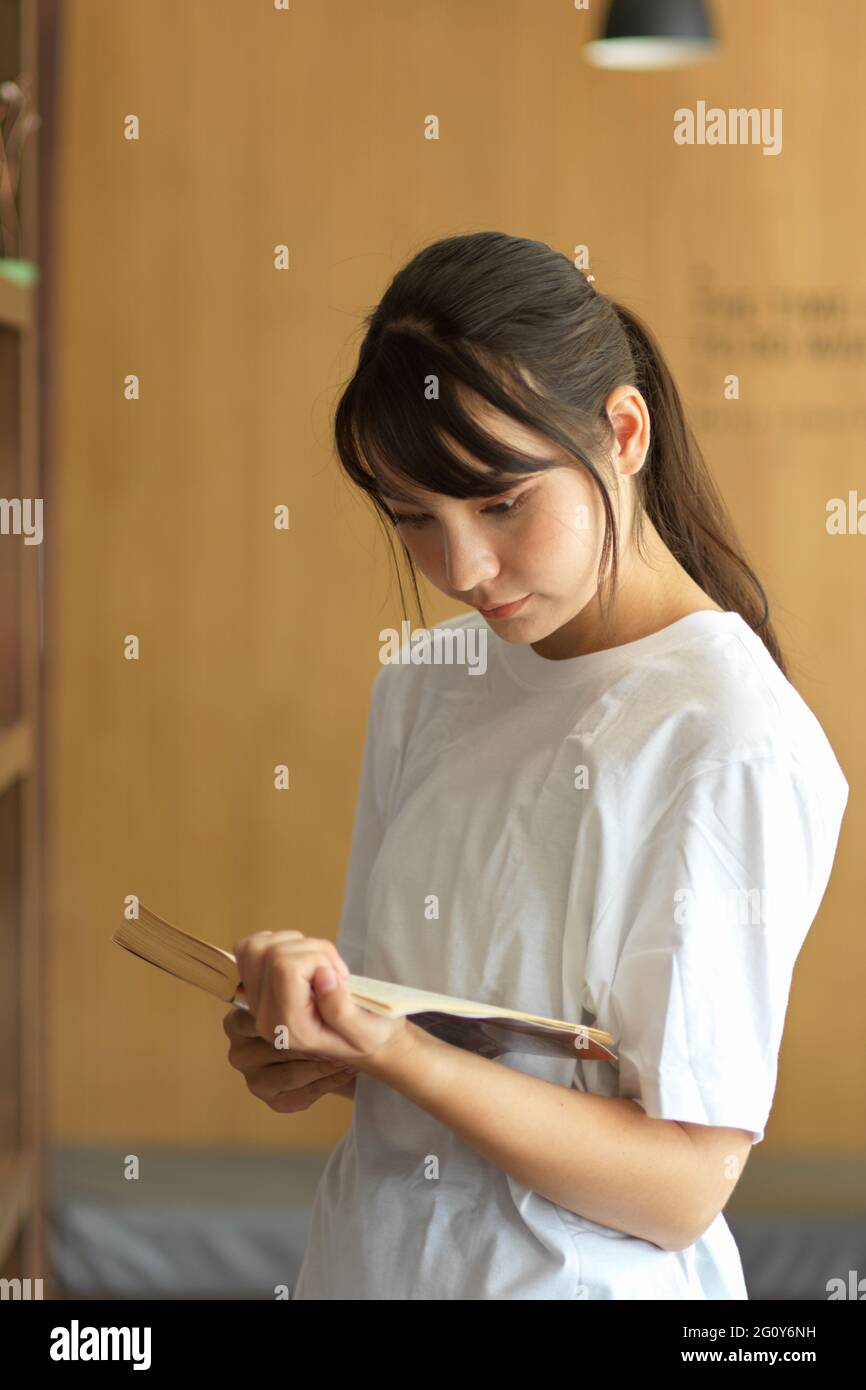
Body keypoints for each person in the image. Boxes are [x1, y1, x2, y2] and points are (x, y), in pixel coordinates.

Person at [224, 232, 849, 1300]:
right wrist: (318, 1043)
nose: (461, 568)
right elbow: (440, 1043)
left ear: (621, 430)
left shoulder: (727, 736)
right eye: (413, 517)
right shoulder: (424, 686)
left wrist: (396, 1055)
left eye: (500, 503)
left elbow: (681, 1184)